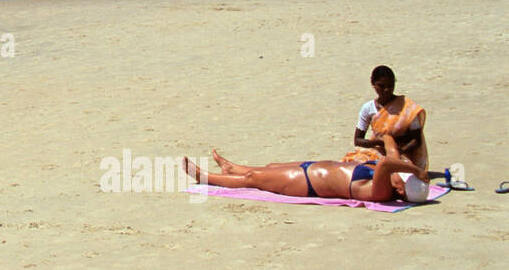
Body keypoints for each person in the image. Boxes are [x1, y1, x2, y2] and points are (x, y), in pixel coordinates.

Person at [183, 134, 429, 203]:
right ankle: (230, 167)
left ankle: (206, 177)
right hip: (312, 167)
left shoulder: (382, 191)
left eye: (404, 181)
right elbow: (390, 145)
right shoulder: (393, 178)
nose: (401, 177)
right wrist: (384, 137)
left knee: (253, 178)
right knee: (270, 167)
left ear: (401, 192)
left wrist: (417, 172)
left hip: (307, 184)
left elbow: (387, 162)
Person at [343, 65, 428, 171]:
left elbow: (416, 140)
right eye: (381, 86)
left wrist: (399, 151)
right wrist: (378, 143)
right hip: (377, 150)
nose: (386, 90)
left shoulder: (406, 107)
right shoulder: (368, 108)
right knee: (354, 165)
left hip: (401, 152)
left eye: (390, 86)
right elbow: (358, 140)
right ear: (373, 84)